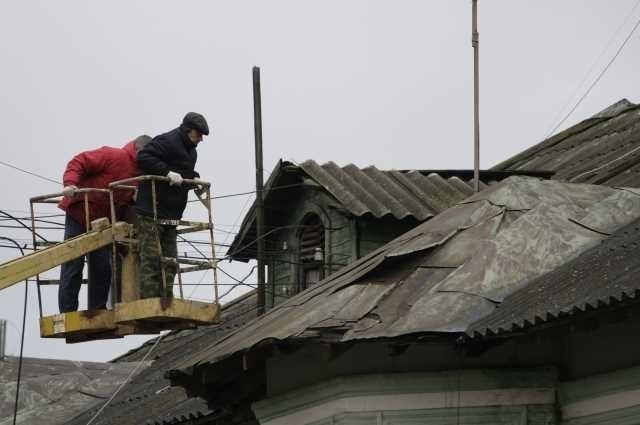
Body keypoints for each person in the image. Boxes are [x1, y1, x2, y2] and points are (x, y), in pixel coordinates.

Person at [58, 135, 152, 313]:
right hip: (79, 213)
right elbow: (80, 161)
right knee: (73, 264)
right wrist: (70, 183)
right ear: (139, 150)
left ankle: (97, 309)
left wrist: (134, 201)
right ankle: (67, 312)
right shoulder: (114, 156)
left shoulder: (140, 175)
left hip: (102, 224)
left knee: (102, 267)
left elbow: (124, 205)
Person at [135, 112, 209, 299]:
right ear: (187, 130)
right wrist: (166, 172)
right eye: (198, 134)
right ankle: (150, 299)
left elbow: (183, 174)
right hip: (151, 209)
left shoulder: (191, 151)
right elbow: (144, 157)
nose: (200, 139)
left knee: (170, 259)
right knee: (151, 257)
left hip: (171, 212)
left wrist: (194, 178)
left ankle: (166, 297)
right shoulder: (167, 140)